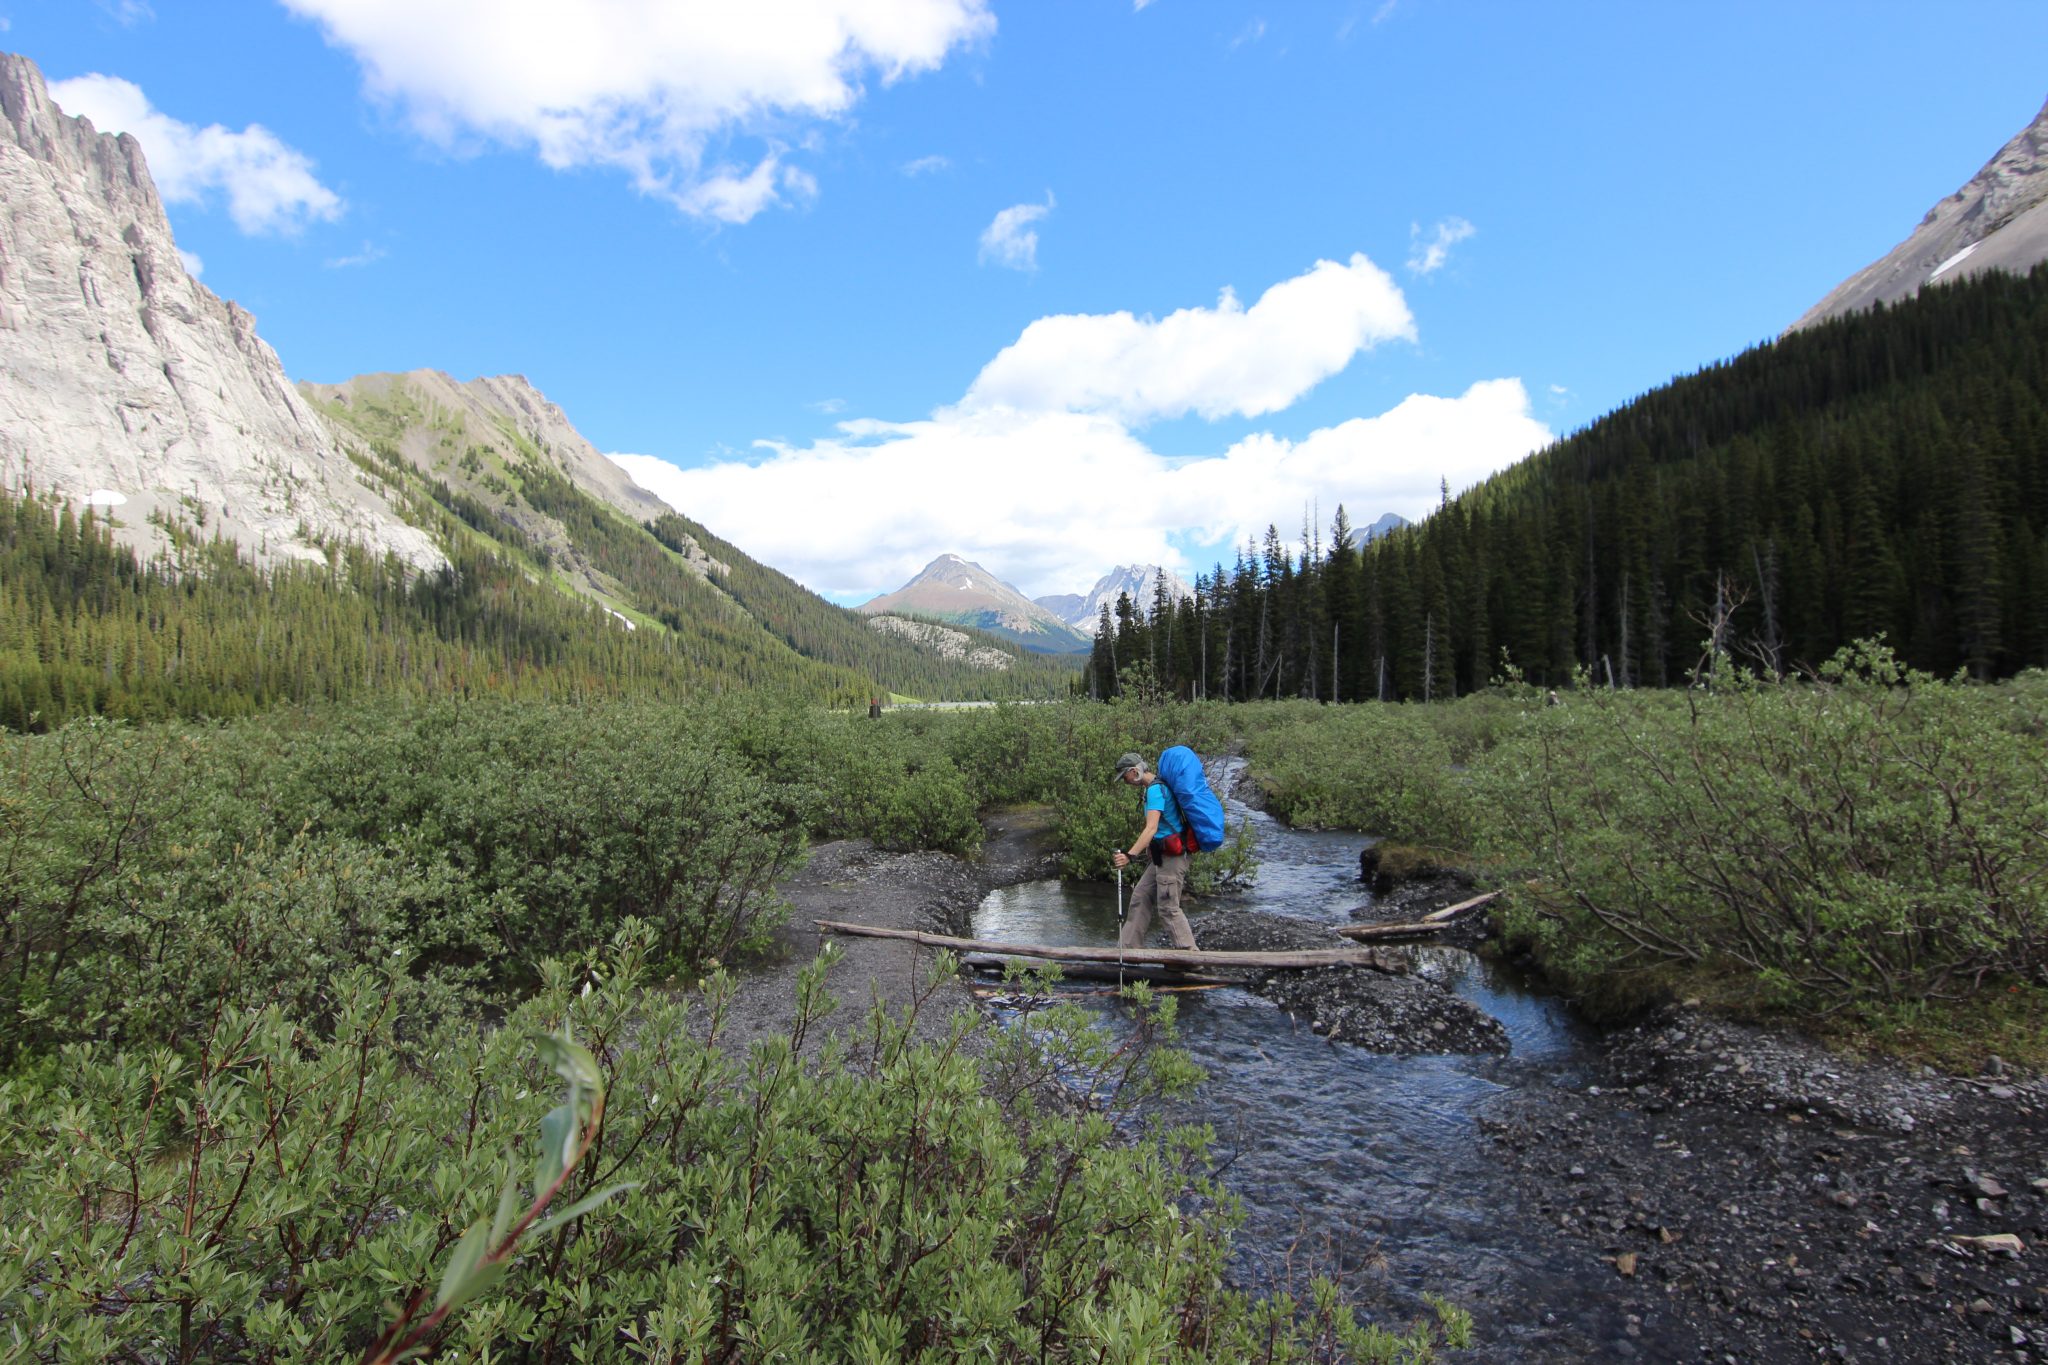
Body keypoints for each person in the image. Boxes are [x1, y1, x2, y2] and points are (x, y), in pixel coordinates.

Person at [1111, 752, 1199, 951]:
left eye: (1125, 777)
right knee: (1140, 896)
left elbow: (1151, 828)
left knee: (1168, 908)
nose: (1125, 782)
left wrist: (1129, 855)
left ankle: (1190, 957)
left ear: (1134, 772)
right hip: (1162, 857)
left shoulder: (1155, 790)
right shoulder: (1155, 787)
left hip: (1173, 858)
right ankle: (1127, 950)